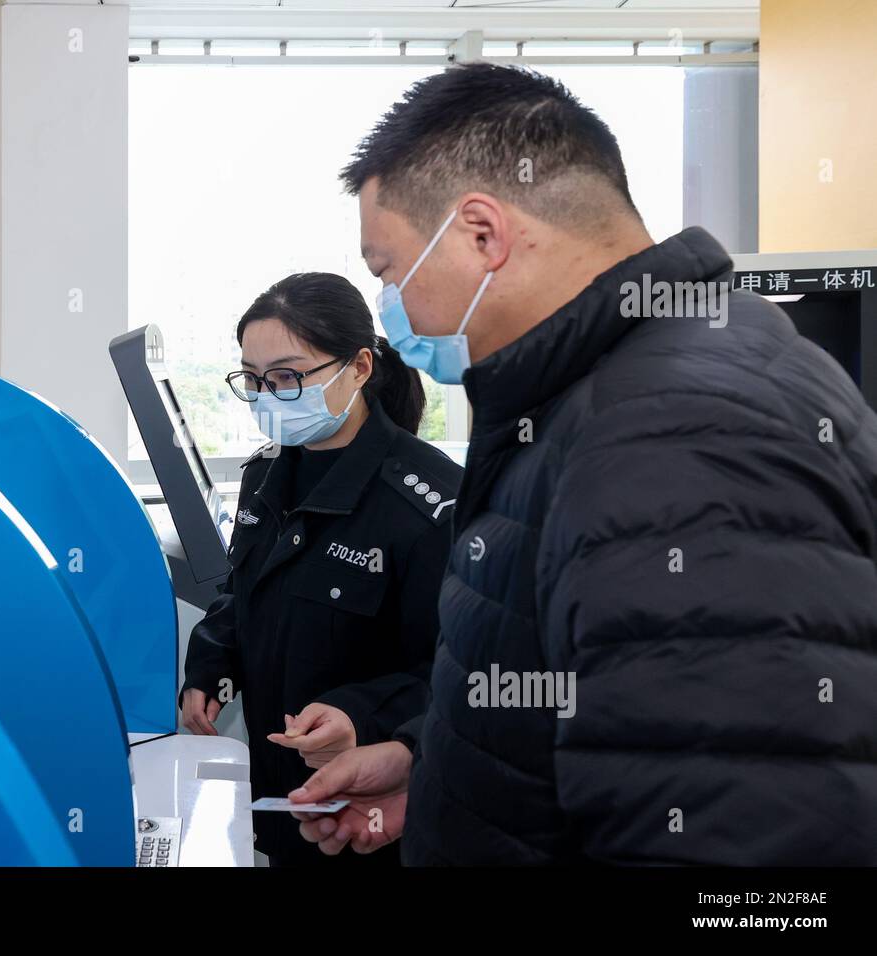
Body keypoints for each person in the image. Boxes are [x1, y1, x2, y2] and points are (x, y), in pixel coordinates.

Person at [291, 63, 877, 865]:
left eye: (387, 272)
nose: (396, 313)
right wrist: (433, 767)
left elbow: (741, 843)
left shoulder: (675, 437)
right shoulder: (604, 393)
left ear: (482, 235)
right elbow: (593, 698)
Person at [178, 272, 462, 866]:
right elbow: (244, 592)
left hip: (379, 819)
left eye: (286, 376)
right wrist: (210, 664)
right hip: (284, 806)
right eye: (252, 380)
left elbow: (456, 670)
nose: (265, 396)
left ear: (359, 367)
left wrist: (361, 714)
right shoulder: (266, 477)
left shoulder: (427, 502)